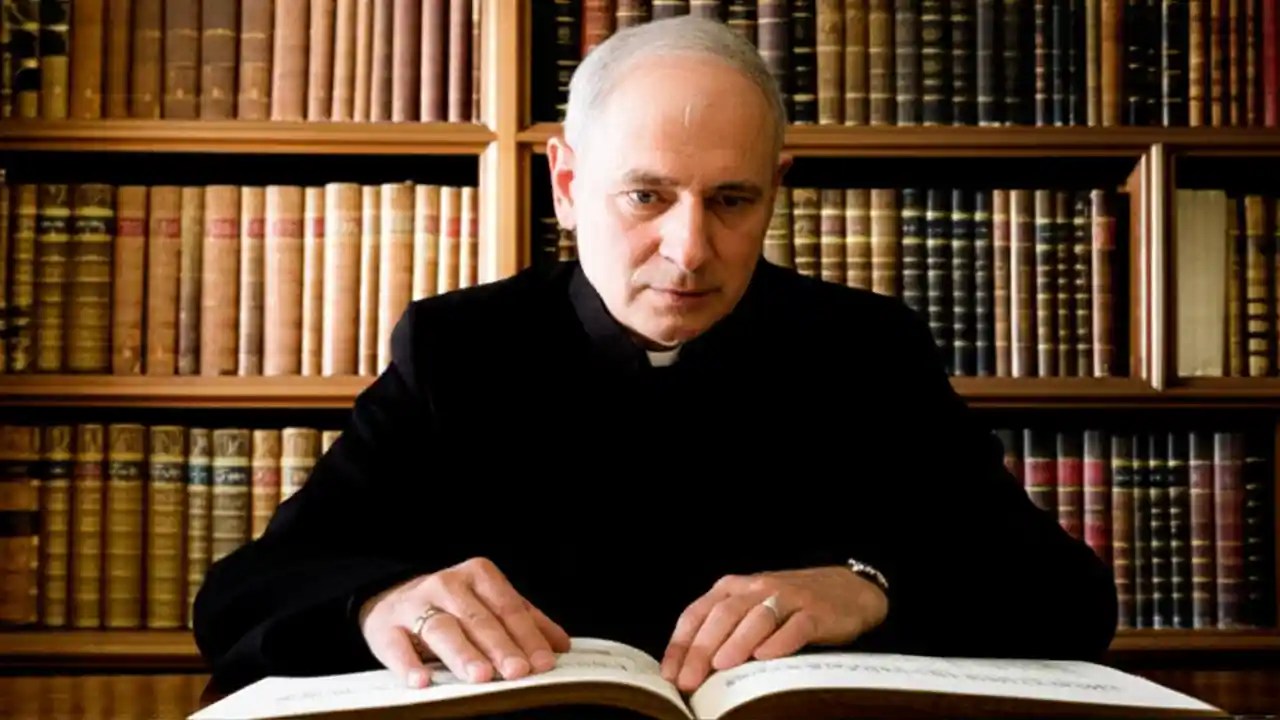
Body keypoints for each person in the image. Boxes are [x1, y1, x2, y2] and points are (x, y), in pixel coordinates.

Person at [192, 15, 1118, 697]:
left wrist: (870, 590)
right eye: (645, 196)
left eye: (731, 200)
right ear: (566, 182)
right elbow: (246, 593)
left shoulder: (866, 348)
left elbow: (1066, 597)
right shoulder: (458, 348)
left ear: (776, 191)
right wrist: (379, 600)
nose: (689, 250)